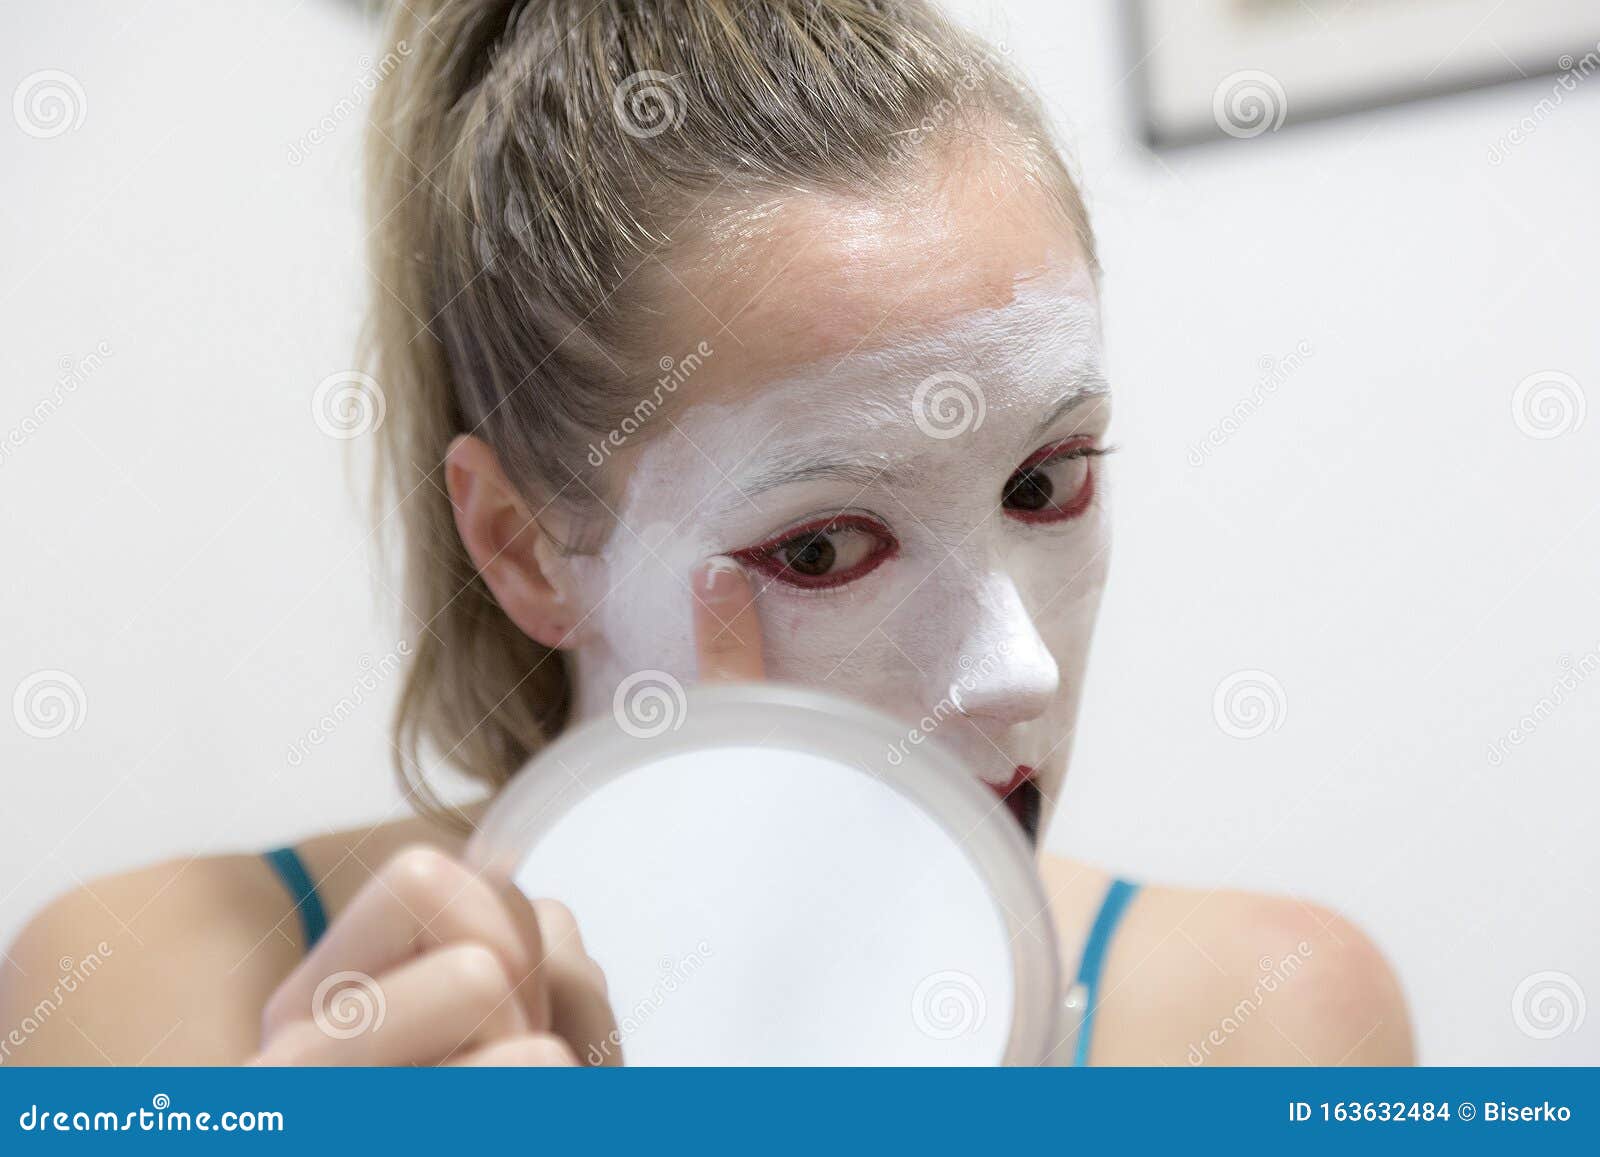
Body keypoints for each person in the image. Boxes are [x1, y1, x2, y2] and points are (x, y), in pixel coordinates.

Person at [0, 0, 1412, 1066]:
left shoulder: (1264, 1018)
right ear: (524, 549)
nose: (1017, 670)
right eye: (822, 549)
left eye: (1045, 484)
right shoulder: (148, 1001)